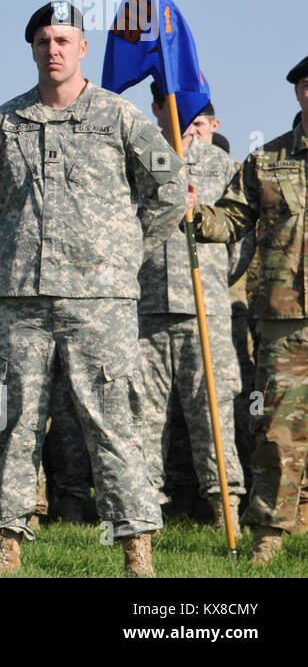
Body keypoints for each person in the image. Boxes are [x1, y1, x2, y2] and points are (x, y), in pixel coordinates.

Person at [0, 0, 187, 577]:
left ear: (82, 48)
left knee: (113, 421)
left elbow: (169, 188)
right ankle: (7, 544)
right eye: (43, 41)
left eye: (63, 40)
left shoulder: (120, 117)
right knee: (13, 421)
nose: (53, 50)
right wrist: (11, 245)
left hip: (100, 299)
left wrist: (123, 250)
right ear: (32, 50)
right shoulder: (3, 123)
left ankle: (137, 550)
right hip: (22, 300)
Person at [190, 55, 308, 563]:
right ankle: (270, 535)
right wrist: (194, 212)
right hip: (284, 318)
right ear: (299, 93)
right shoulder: (266, 161)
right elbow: (230, 220)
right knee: (278, 428)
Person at [135, 87, 244, 529]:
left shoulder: (223, 166)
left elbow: (239, 240)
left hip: (207, 309)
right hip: (143, 310)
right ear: (157, 107)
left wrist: (217, 280)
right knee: (140, 414)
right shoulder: (136, 156)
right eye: (168, 103)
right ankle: (142, 513)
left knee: (213, 410)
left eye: (188, 106)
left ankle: (225, 510)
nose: (178, 113)